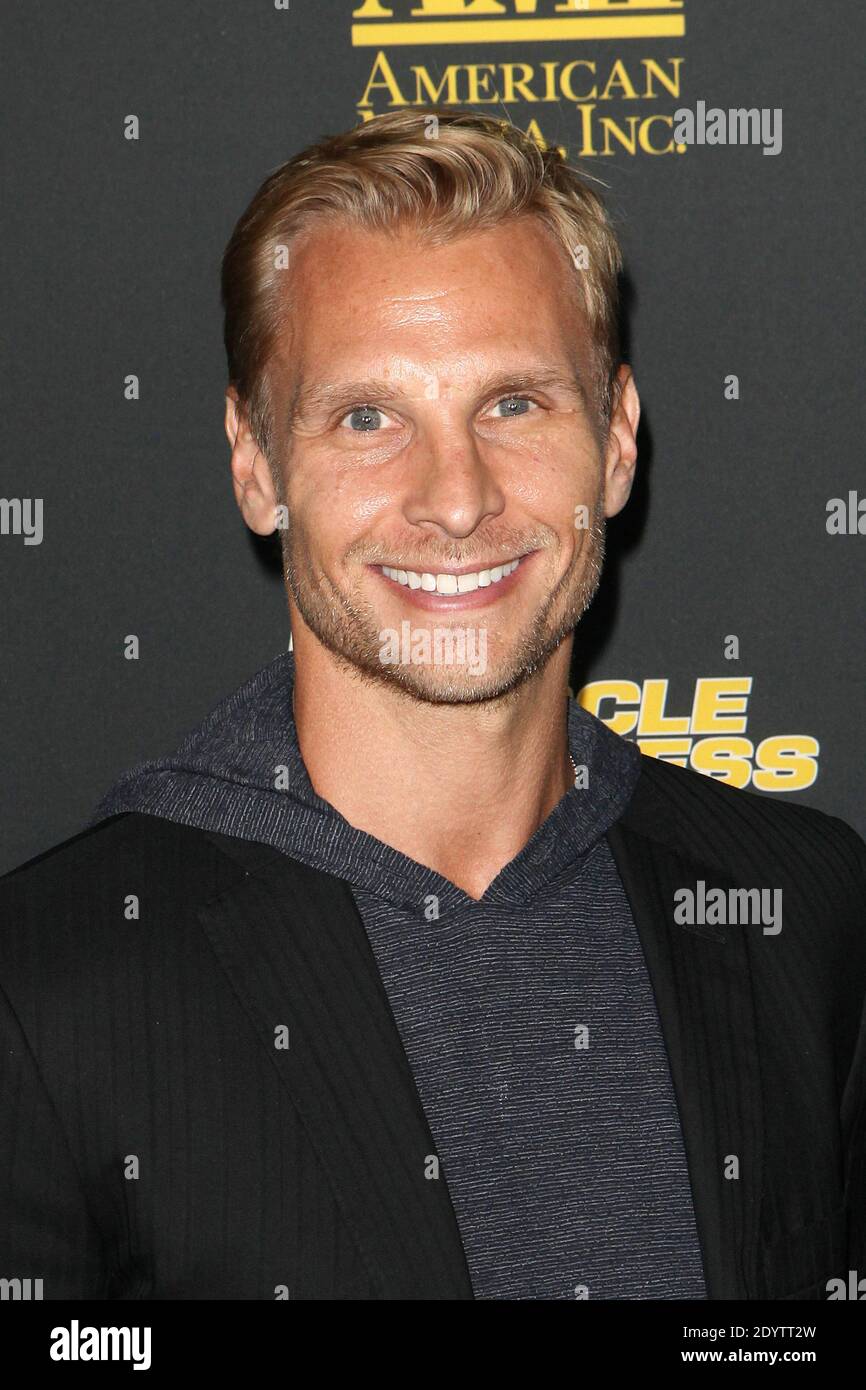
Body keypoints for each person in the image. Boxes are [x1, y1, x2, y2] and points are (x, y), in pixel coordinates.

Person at [1, 108, 863, 1301]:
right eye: (367, 417)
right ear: (255, 465)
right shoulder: (48, 981)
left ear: (615, 441)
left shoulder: (800, 913)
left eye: (512, 404)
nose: (453, 499)